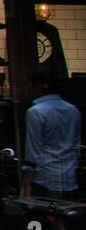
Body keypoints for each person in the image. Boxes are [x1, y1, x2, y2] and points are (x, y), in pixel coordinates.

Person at [22, 70, 82, 200]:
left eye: (31, 85)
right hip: (69, 177)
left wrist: (26, 184)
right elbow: (76, 145)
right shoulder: (72, 110)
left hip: (44, 177)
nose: (29, 89)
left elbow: (33, 150)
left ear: (40, 85)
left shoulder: (35, 111)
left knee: (39, 217)